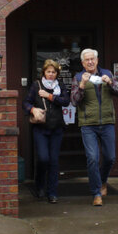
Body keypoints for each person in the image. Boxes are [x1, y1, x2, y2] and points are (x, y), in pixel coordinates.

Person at [71, 48, 118, 206]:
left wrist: (110, 82)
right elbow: (74, 101)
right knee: (92, 158)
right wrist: (81, 85)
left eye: (92, 59)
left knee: (110, 158)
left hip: (107, 123)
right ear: (82, 63)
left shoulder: (106, 73)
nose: (90, 62)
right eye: (87, 60)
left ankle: (103, 181)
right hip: (88, 125)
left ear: (97, 60)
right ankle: (96, 193)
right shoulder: (79, 77)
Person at [23, 59, 70, 203]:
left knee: (54, 161)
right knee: (43, 158)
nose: (51, 74)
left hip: (57, 128)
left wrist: (49, 96)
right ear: (44, 72)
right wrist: (32, 109)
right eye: (48, 71)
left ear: (57, 73)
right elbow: (25, 103)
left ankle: (52, 193)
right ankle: (39, 186)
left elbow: (66, 101)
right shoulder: (36, 85)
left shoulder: (60, 85)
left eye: (54, 72)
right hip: (41, 128)